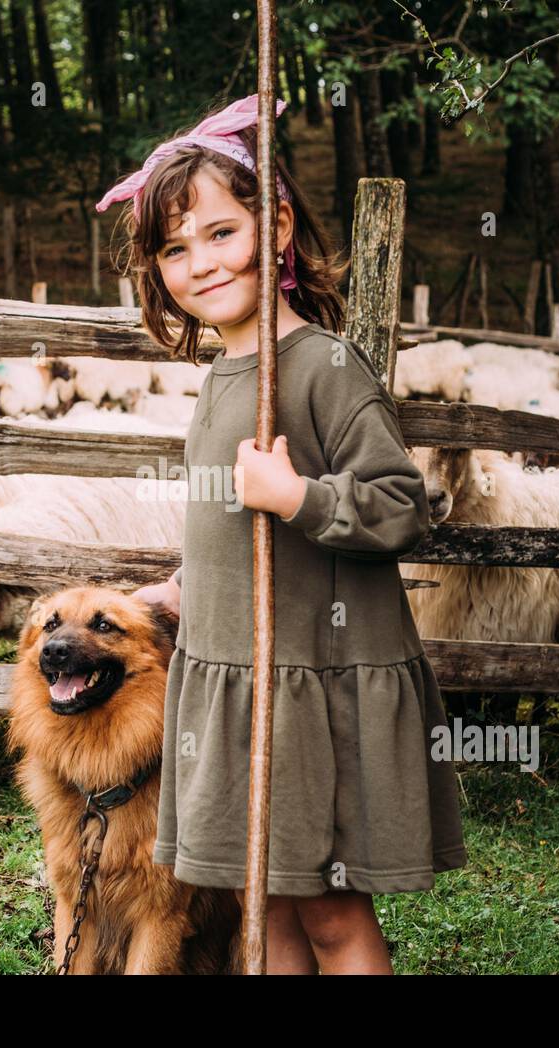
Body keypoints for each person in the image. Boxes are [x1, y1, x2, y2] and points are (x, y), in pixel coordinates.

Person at [98, 94, 467, 975]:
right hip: (235, 677)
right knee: (266, 912)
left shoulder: (324, 367)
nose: (201, 262)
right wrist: (186, 586)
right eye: (175, 249)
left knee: (330, 914)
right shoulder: (225, 373)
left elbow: (399, 504)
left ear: (279, 226)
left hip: (310, 690)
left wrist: (299, 493)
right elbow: (235, 521)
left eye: (223, 233)